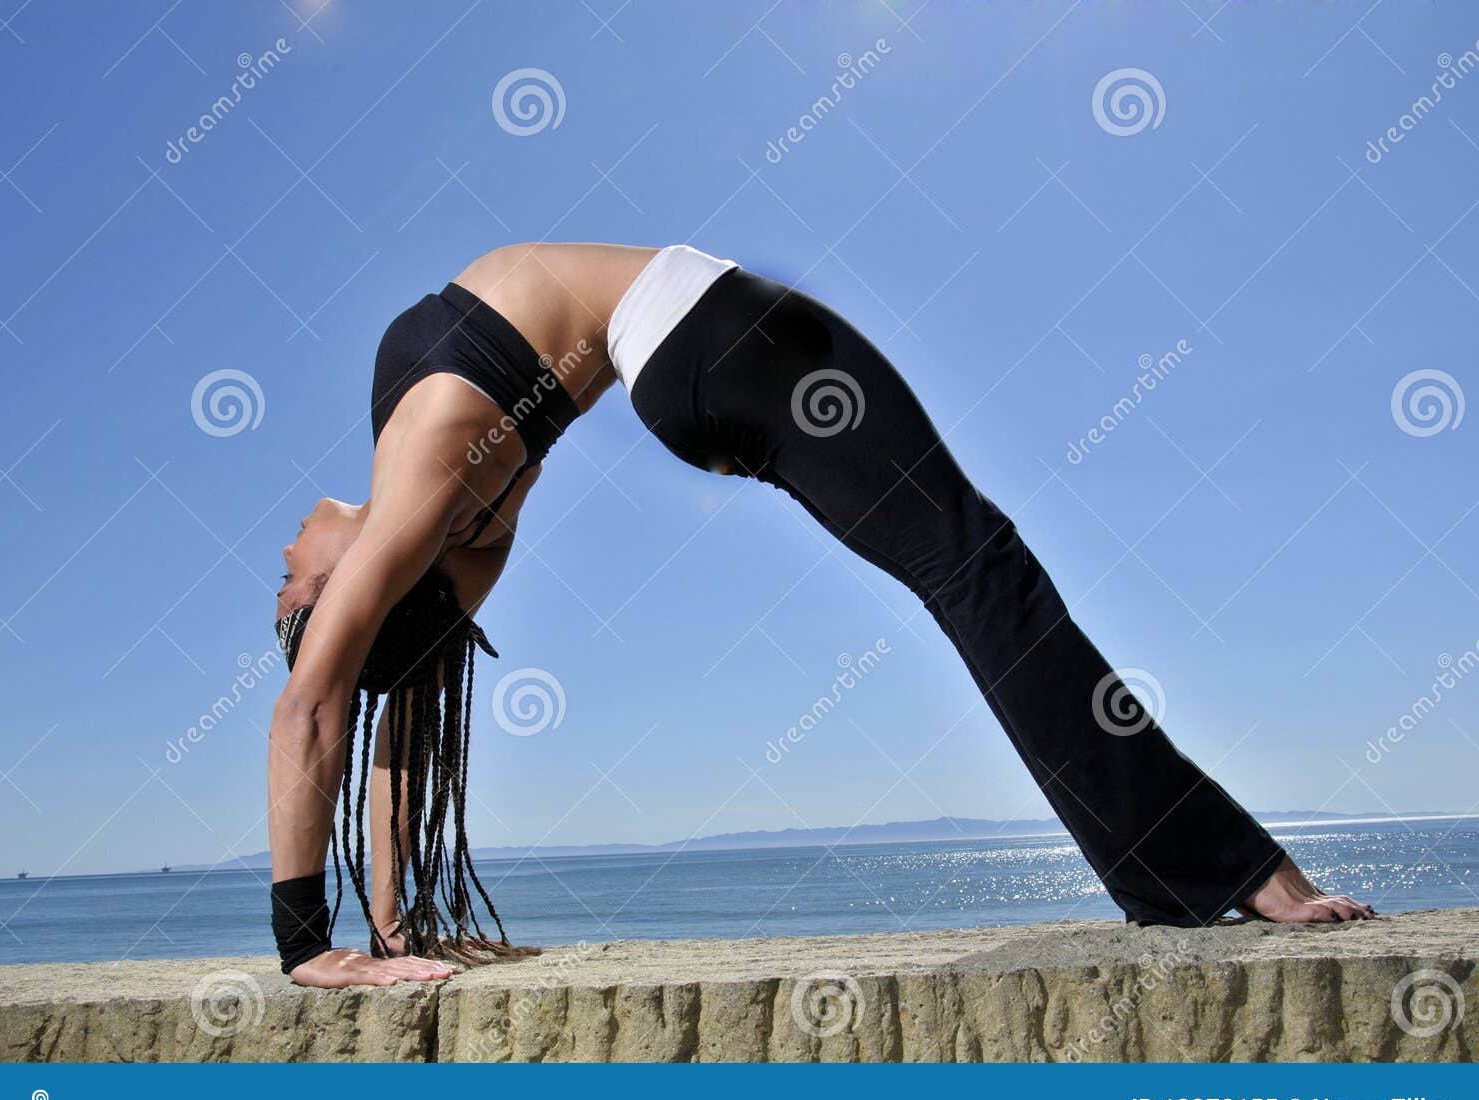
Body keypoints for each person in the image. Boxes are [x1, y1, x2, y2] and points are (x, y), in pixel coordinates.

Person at [267, 243, 1374, 990]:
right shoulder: (428, 476)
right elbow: (318, 706)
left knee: (972, 570)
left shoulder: (459, 529)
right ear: (345, 592)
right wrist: (307, 942)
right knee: (979, 569)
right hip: (711, 340)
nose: (280, 568)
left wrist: (395, 928)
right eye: (292, 599)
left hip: (697, 359)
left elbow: (405, 719)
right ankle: (1220, 868)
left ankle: (1184, 864)